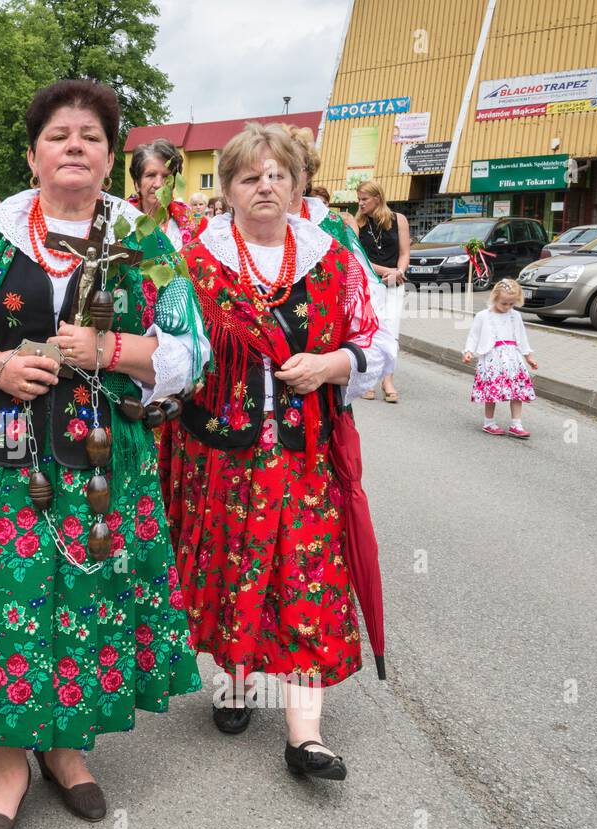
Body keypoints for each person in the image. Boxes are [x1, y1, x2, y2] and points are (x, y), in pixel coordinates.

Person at [0, 80, 209, 829]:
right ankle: (9, 765)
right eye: (58, 135)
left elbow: (193, 348)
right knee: (5, 603)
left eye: (90, 135)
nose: (74, 145)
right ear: (32, 154)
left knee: (88, 598)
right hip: (3, 454)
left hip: (105, 461)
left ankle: (65, 744)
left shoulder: (146, 241)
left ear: (110, 158)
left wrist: (113, 350)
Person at [159, 122, 396, 782]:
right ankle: (234, 683)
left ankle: (305, 735)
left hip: (303, 453)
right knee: (233, 575)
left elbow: (374, 342)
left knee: (306, 580)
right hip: (219, 456)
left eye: (278, 176)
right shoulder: (192, 260)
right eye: (248, 177)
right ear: (228, 190)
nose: (265, 186)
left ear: (297, 186)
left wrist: (333, 362)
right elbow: (166, 346)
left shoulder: (334, 258)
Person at [283, 126, 386, 321]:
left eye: (295, 166)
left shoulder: (331, 225)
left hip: (324, 331)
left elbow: (361, 286)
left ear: (309, 176)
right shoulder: (250, 224)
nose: (287, 174)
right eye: (279, 167)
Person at [355, 179, 409, 402]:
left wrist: (399, 271)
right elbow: (360, 257)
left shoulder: (399, 220)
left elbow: (404, 252)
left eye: (364, 199)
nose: (360, 203)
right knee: (370, 330)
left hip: (394, 283)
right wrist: (388, 270)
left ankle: (388, 380)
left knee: (391, 330)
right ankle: (368, 379)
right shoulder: (357, 224)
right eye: (358, 199)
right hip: (369, 282)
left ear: (377, 199)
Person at [463, 278, 537, 438]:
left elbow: (522, 337)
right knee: (492, 391)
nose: (508, 307)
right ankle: (489, 422)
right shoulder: (483, 316)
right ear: (495, 297)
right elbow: (474, 335)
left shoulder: (515, 316)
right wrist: (469, 351)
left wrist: (528, 356)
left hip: (512, 359)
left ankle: (516, 424)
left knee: (517, 391)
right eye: (504, 303)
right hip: (492, 359)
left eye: (511, 304)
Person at [127, 138, 196, 249]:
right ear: (137, 183)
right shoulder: (119, 220)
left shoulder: (194, 225)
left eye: (166, 176)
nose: (158, 184)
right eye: (151, 175)